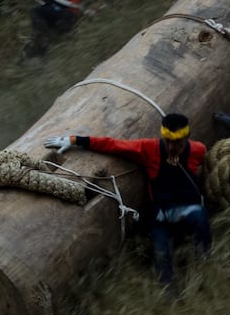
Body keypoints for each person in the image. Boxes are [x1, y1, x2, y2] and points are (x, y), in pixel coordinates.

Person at [43, 113, 209, 286]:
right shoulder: (150, 149)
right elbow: (113, 145)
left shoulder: (198, 150)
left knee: (199, 215)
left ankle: (204, 267)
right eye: (168, 142)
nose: (171, 147)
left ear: (186, 138)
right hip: (162, 215)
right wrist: (74, 140)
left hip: (188, 211)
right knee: (162, 252)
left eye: (177, 142)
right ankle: (167, 287)